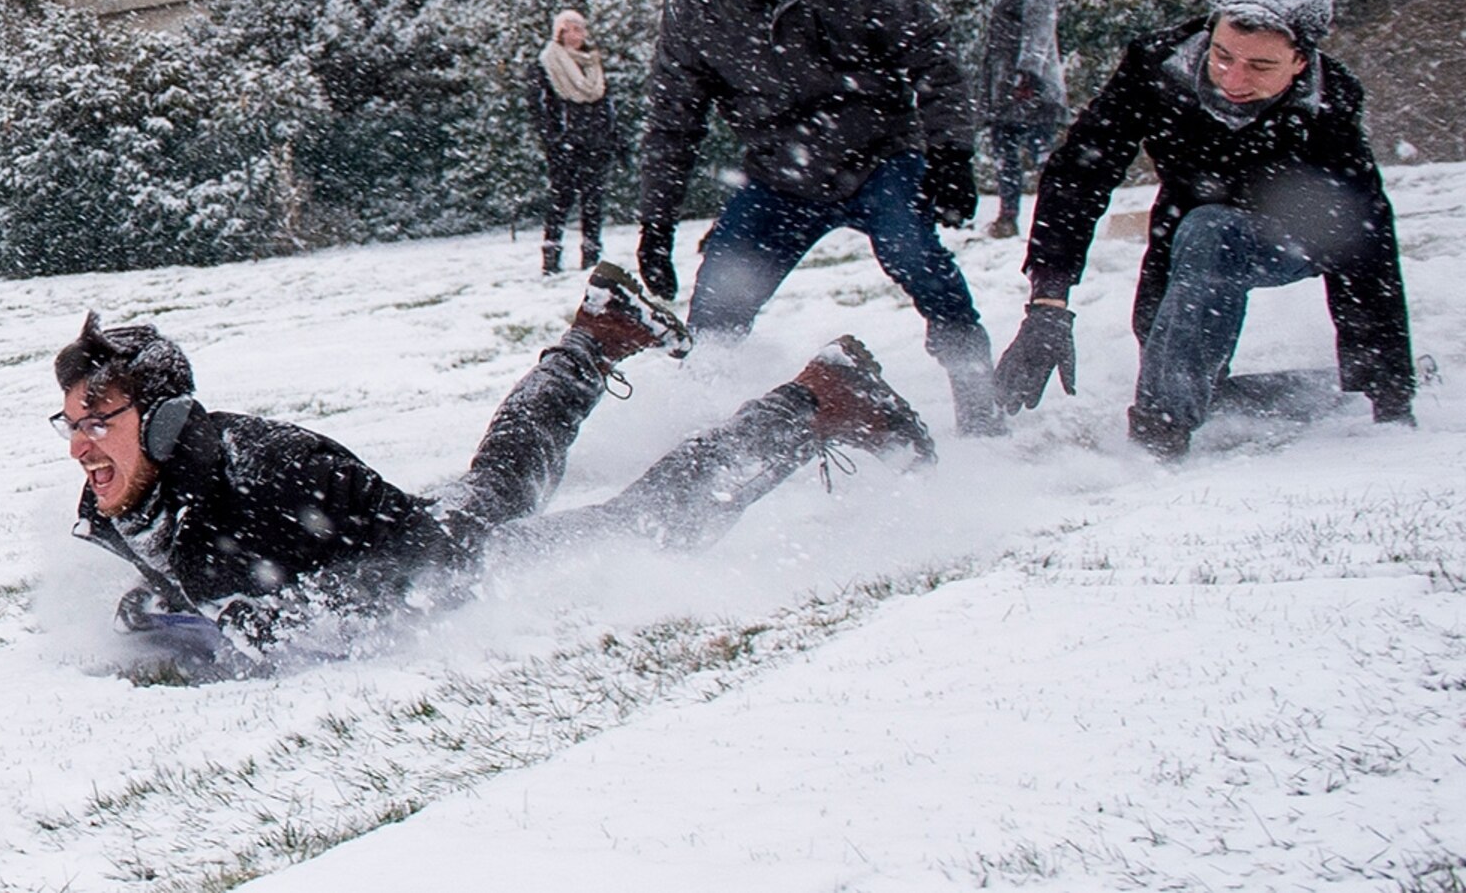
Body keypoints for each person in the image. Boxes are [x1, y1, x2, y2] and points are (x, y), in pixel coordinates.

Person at [57, 265, 937, 674]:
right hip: (414, 523)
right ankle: (595, 336)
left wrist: (286, 619)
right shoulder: (128, 490)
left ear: (168, 419)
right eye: (69, 422)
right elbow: (210, 579)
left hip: (439, 553)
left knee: (651, 522)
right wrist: (175, 606)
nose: (79, 444)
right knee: (507, 471)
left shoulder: (273, 465)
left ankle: (819, 397)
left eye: (99, 420)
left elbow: (406, 574)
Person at [993, 0, 1418, 459]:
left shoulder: (1330, 101)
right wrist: (1048, 304)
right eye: (1222, 55)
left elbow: (1365, 235)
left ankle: (1157, 440)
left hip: (1292, 234)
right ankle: (1252, 393)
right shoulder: (1157, 66)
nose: (1233, 79)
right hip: (1182, 233)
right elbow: (1080, 172)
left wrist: (1388, 388)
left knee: (1212, 237)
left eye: (1260, 66)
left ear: (1301, 61)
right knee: (1176, 356)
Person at [635, 0, 1003, 436]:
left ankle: (975, 386)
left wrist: (951, 154)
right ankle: (695, 426)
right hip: (783, 177)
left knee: (914, 254)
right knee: (719, 298)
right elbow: (672, 122)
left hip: (881, 156)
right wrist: (655, 222)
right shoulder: (692, 9)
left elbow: (930, 57)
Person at [977, 0, 1067, 242]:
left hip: (1031, 86)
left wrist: (1028, 73)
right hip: (1005, 85)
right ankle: (1008, 217)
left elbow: (1039, 28)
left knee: (1041, 153)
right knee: (1005, 152)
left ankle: (1057, 218)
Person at [531, 7, 618, 275]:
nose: (573, 35)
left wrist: (610, 136)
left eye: (578, 28)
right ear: (558, 33)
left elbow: (606, 105)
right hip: (565, 144)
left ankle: (591, 255)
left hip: (595, 141)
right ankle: (551, 256)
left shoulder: (593, 63)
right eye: (567, 29)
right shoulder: (547, 63)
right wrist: (554, 139)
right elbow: (539, 107)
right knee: (561, 198)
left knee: (593, 200)